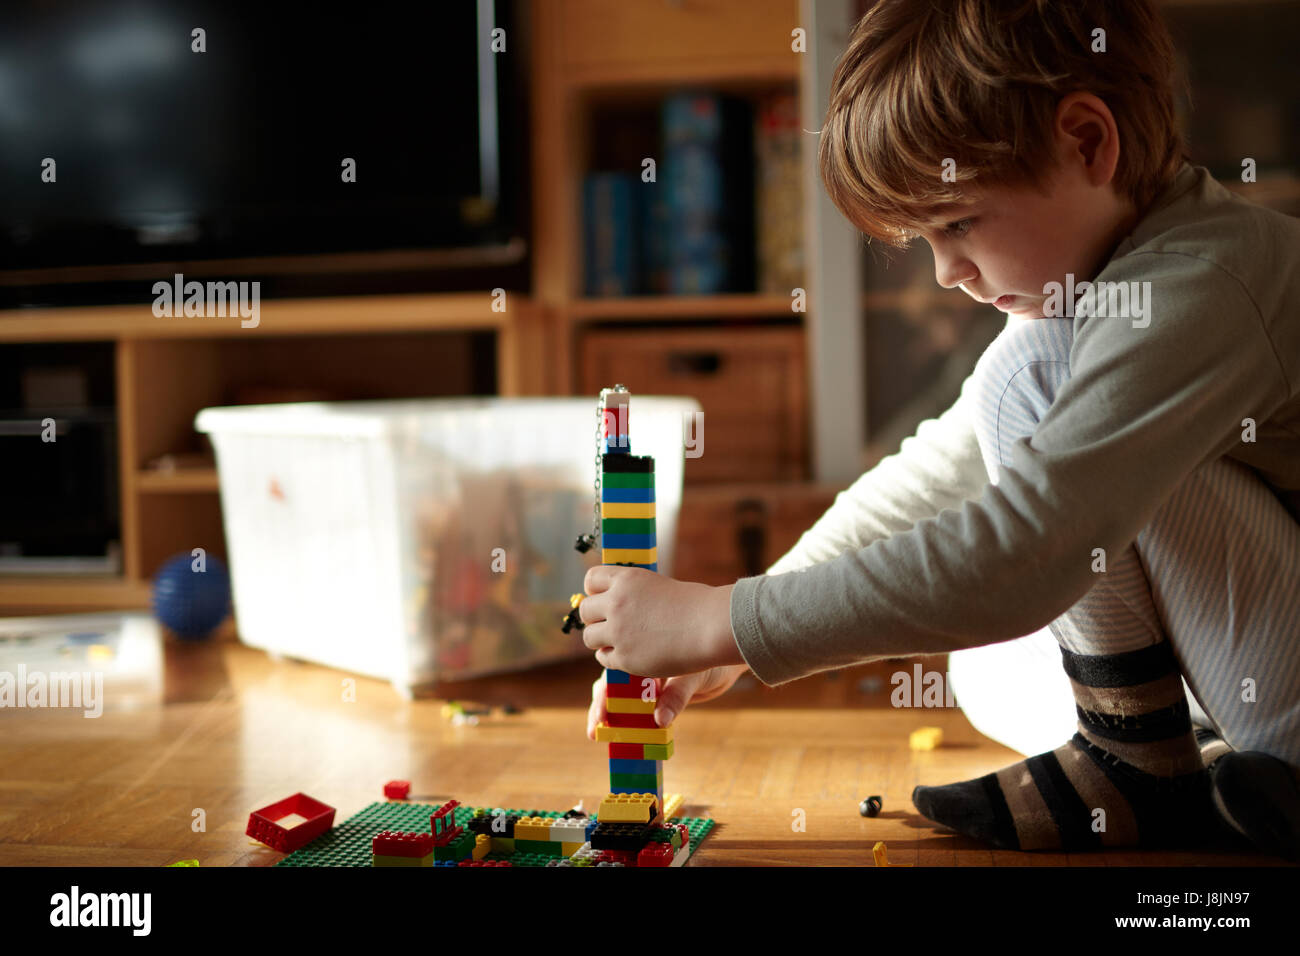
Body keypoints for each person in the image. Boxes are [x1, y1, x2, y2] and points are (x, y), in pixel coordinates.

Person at [578, 0, 1300, 858]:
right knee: (980, 665)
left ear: (1087, 143)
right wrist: (733, 643)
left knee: (1021, 385)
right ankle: (1216, 778)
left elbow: (1025, 546)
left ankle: (1143, 766)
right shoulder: (1107, 289)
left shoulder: (1195, 285)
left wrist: (727, 619)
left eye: (957, 222)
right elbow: (943, 472)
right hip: (1265, 674)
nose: (947, 271)